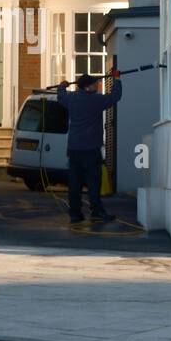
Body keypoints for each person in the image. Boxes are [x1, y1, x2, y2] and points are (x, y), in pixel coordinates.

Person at [55, 67, 122, 224]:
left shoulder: (71, 98)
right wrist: (117, 80)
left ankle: (75, 213)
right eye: (94, 84)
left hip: (74, 149)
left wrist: (62, 86)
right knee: (93, 183)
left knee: (74, 183)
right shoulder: (97, 100)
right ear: (87, 87)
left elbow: (61, 96)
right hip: (91, 148)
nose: (97, 85)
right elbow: (115, 96)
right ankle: (97, 211)